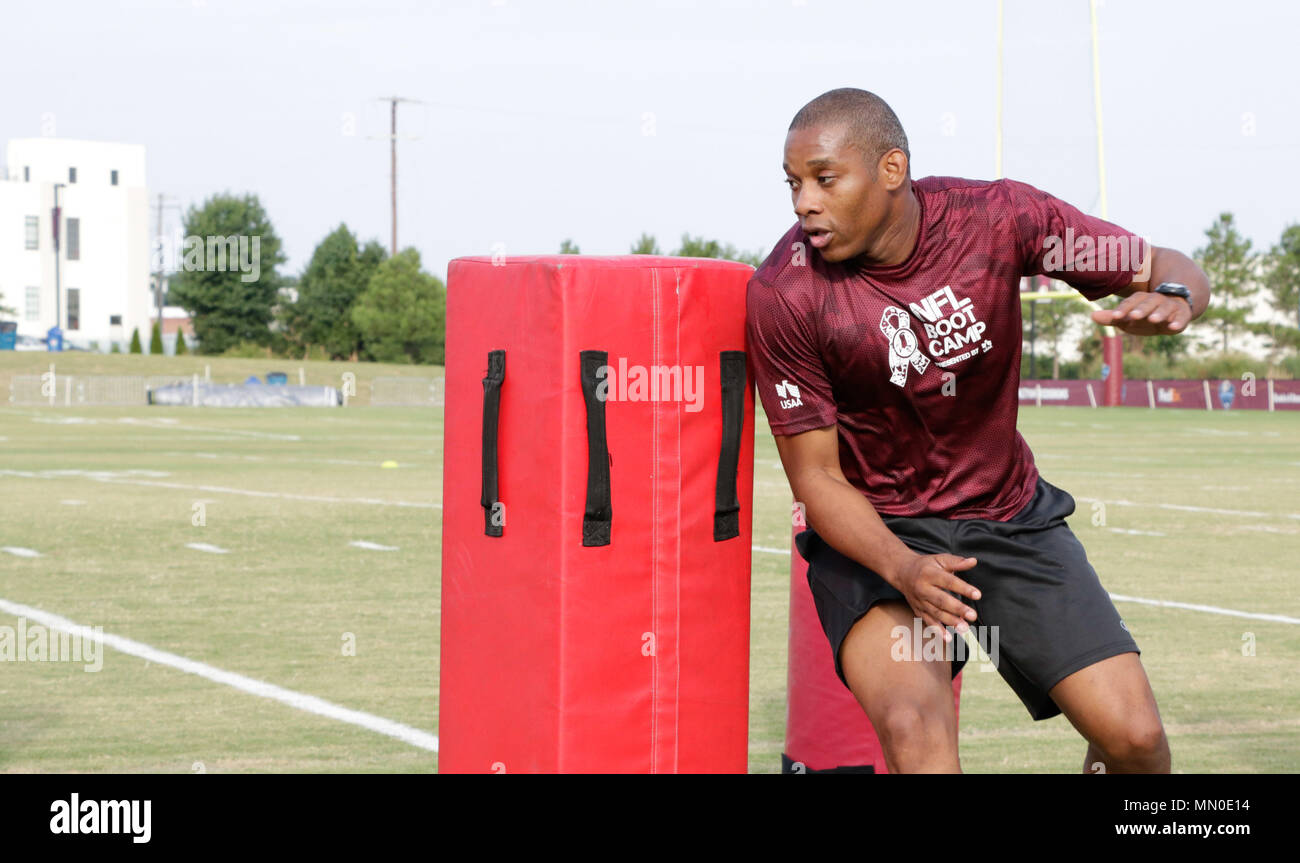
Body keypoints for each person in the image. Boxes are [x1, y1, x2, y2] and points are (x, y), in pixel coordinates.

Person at [746, 88, 1210, 773]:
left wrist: (1175, 301)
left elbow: (1167, 264)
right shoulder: (784, 294)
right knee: (915, 730)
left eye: (824, 179)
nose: (802, 203)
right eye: (793, 184)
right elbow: (816, 477)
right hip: (881, 538)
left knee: (1135, 741)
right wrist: (904, 567)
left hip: (1008, 516)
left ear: (892, 170)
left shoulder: (1000, 217)